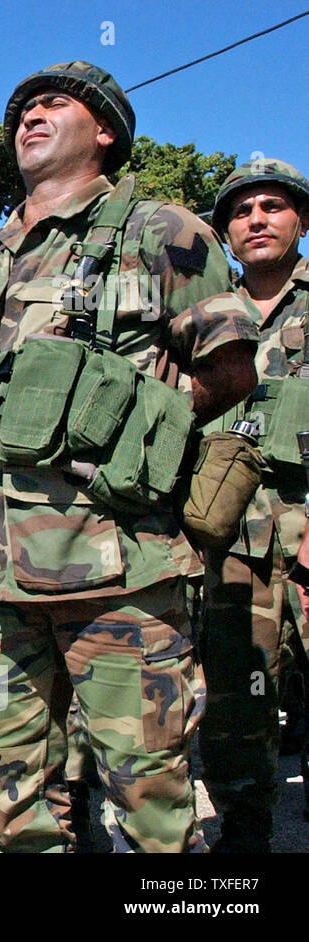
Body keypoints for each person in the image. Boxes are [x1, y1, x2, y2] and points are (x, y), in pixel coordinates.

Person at [0, 61, 257, 852]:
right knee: (6, 802)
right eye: (21, 111)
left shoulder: (163, 231)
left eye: (53, 105)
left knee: (151, 806)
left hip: (122, 573)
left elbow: (231, 367)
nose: (29, 118)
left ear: (104, 131)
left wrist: (128, 424)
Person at [203, 158, 309, 852]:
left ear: (301, 221)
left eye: (273, 206)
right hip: (233, 540)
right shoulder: (209, 316)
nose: (257, 220)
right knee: (237, 706)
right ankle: (244, 844)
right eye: (242, 212)